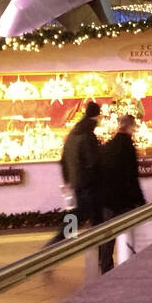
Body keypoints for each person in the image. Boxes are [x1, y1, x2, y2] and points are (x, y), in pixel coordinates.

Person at [96, 114, 146, 273]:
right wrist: (141, 200)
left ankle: (106, 267)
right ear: (131, 127)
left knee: (107, 236)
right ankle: (133, 262)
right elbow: (132, 177)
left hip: (107, 197)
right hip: (124, 199)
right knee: (133, 231)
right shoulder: (128, 148)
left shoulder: (108, 145)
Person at [53, 101, 103, 245]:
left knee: (82, 213)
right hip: (88, 184)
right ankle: (60, 241)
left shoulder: (73, 134)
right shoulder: (87, 135)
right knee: (88, 215)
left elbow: (63, 160)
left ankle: (62, 240)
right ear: (96, 116)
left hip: (76, 181)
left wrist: (67, 180)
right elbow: (92, 162)